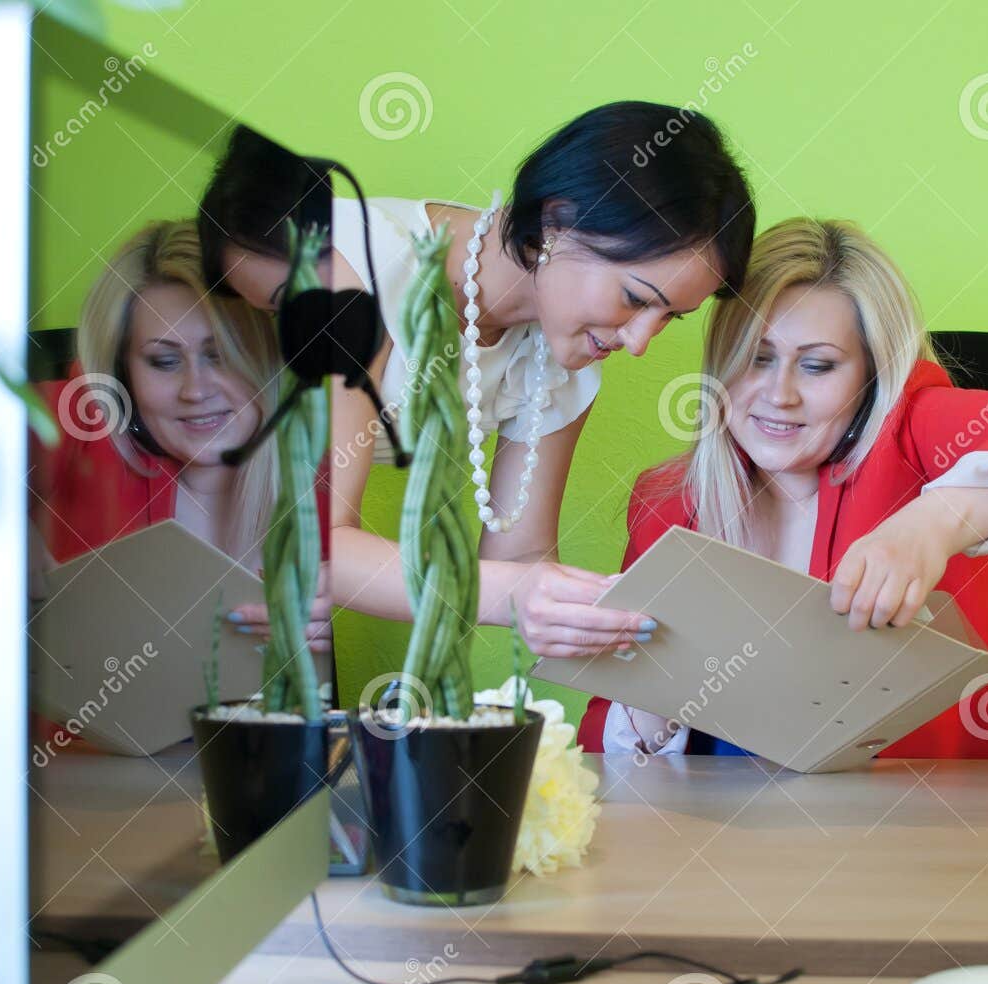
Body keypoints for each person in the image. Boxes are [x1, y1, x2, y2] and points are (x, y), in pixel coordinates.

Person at [579, 217, 988, 761]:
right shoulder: (668, 500)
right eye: (758, 358)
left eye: (818, 366)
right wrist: (653, 706)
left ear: (872, 377)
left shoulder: (915, 428)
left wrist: (932, 524)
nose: (780, 394)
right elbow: (612, 729)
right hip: (757, 833)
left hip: (982, 814)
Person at [208, 102, 756, 659]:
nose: (640, 342)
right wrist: (516, 596)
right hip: (195, 545)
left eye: (669, 317)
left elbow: (519, 560)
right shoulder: (355, 266)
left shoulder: (559, 359)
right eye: (636, 299)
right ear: (556, 222)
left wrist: (600, 616)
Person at [31, 219, 329, 651]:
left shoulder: (325, 471)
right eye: (164, 362)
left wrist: (351, 607)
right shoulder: (85, 433)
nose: (196, 390)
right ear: (123, 373)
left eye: (221, 354)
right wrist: (2, 529)